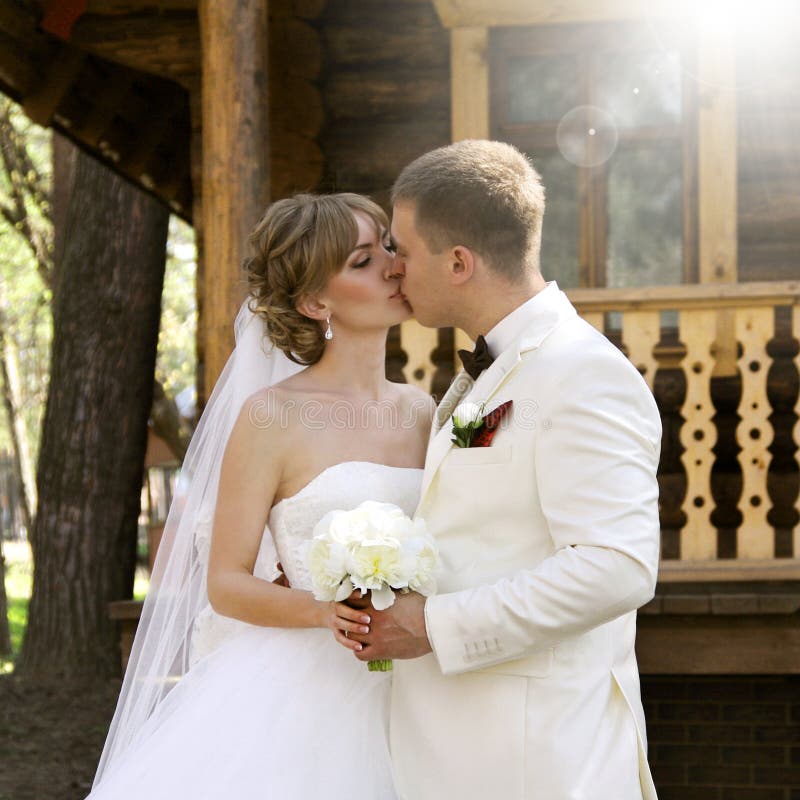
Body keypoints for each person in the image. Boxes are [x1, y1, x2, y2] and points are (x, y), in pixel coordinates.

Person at [86, 192, 433, 799]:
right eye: (362, 260)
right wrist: (326, 611)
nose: (392, 265)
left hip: (421, 683)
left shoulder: (423, 411)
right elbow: (226, 582)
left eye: (387, 245)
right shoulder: (272, 416)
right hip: (307, 698)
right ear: (315, 303)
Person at [344, 140, 662, 800]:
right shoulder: (492, 371)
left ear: (459, 263)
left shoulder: (583, 373)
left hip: (538, 762)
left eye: (402, 249)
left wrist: (433, 624)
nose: (393, 268)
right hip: (454, 751)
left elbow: (617, 566)